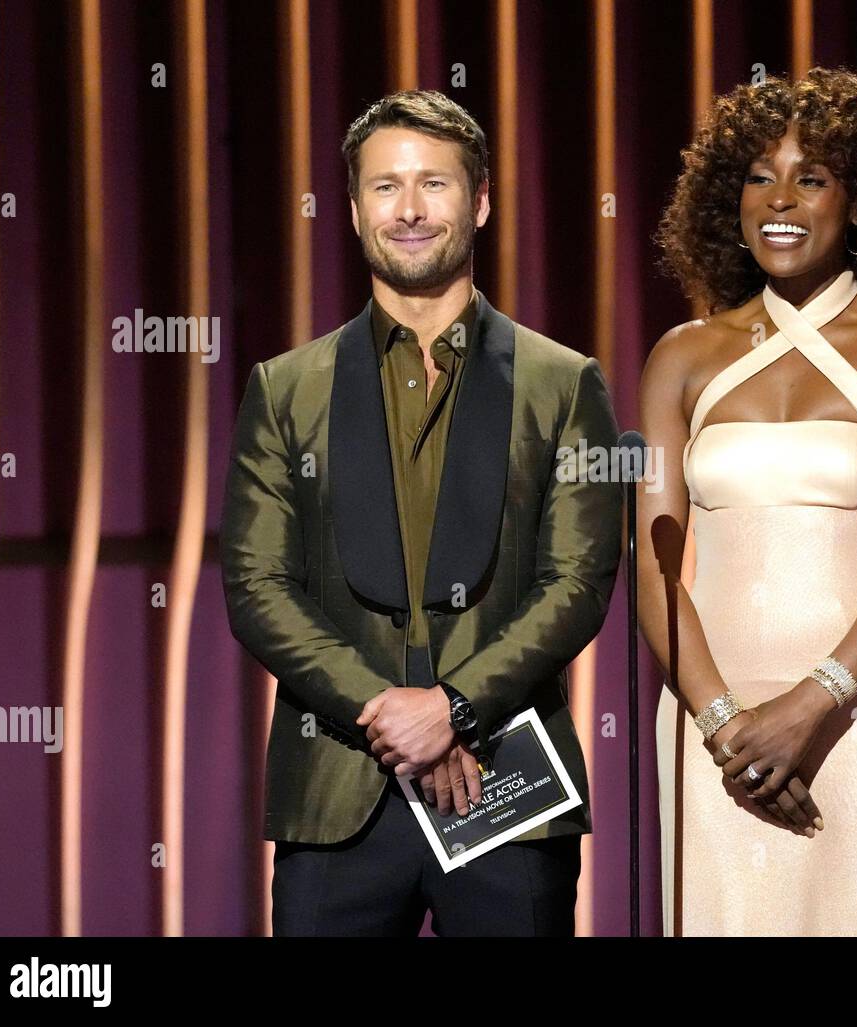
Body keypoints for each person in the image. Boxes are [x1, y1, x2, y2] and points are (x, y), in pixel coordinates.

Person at [221, 91, 622, 937]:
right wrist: (390, 709)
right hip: (335, 793)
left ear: (478, 201)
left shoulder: (562, 381)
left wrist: (456, 707)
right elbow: (257, 587)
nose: (408, 210)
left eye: (433, 185)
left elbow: (579, 579)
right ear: (355, 209)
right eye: (384, 188)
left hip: (507, 788)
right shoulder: (285, 388)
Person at [637, 67, 857, 936]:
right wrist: (721, 721)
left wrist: (814, 701)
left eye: (811, 176)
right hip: (715, 724)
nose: (779, 198)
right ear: (728, 199)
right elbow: (653, 562)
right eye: (758, 176)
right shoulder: (681, 356)